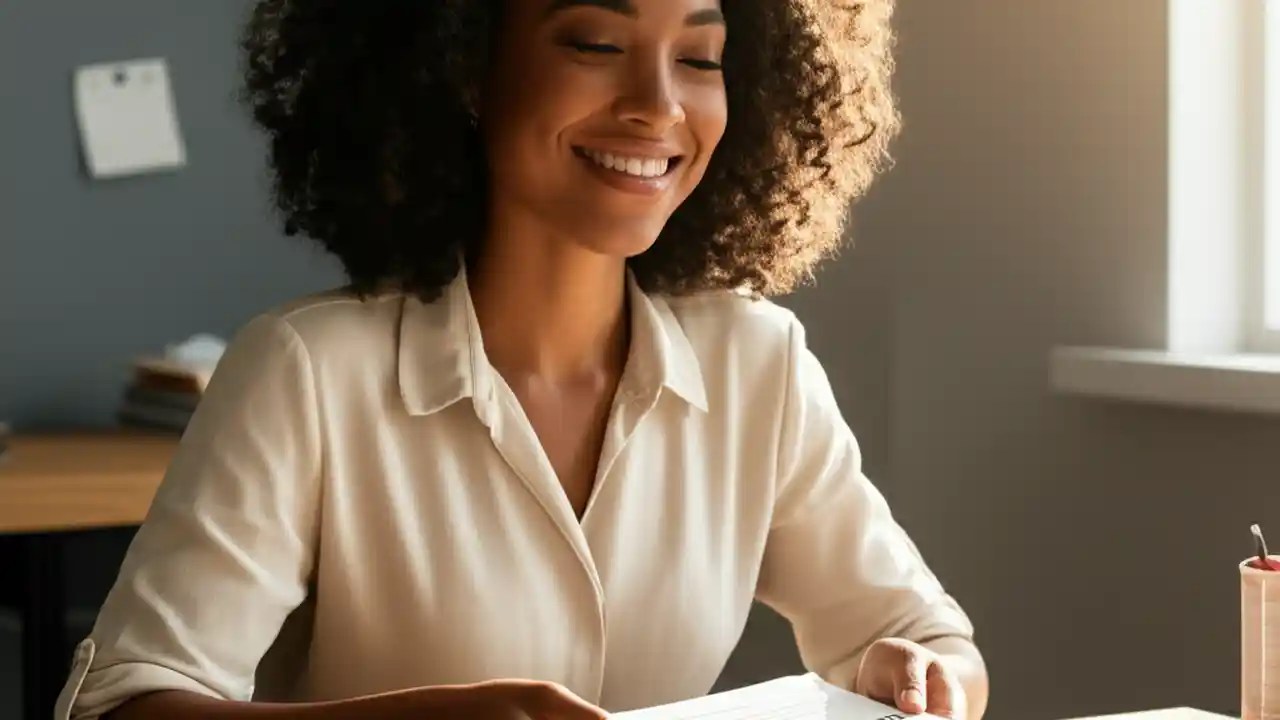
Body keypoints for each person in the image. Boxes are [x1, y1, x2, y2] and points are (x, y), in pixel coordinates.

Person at [55, 1, 989, 719]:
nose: (658, 105)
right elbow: (128, 704)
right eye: (594, 43)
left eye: (700, 59)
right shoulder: (305, 372)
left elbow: (921, 637)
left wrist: (917, 676)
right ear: (467, 67)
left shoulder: (760, 364)